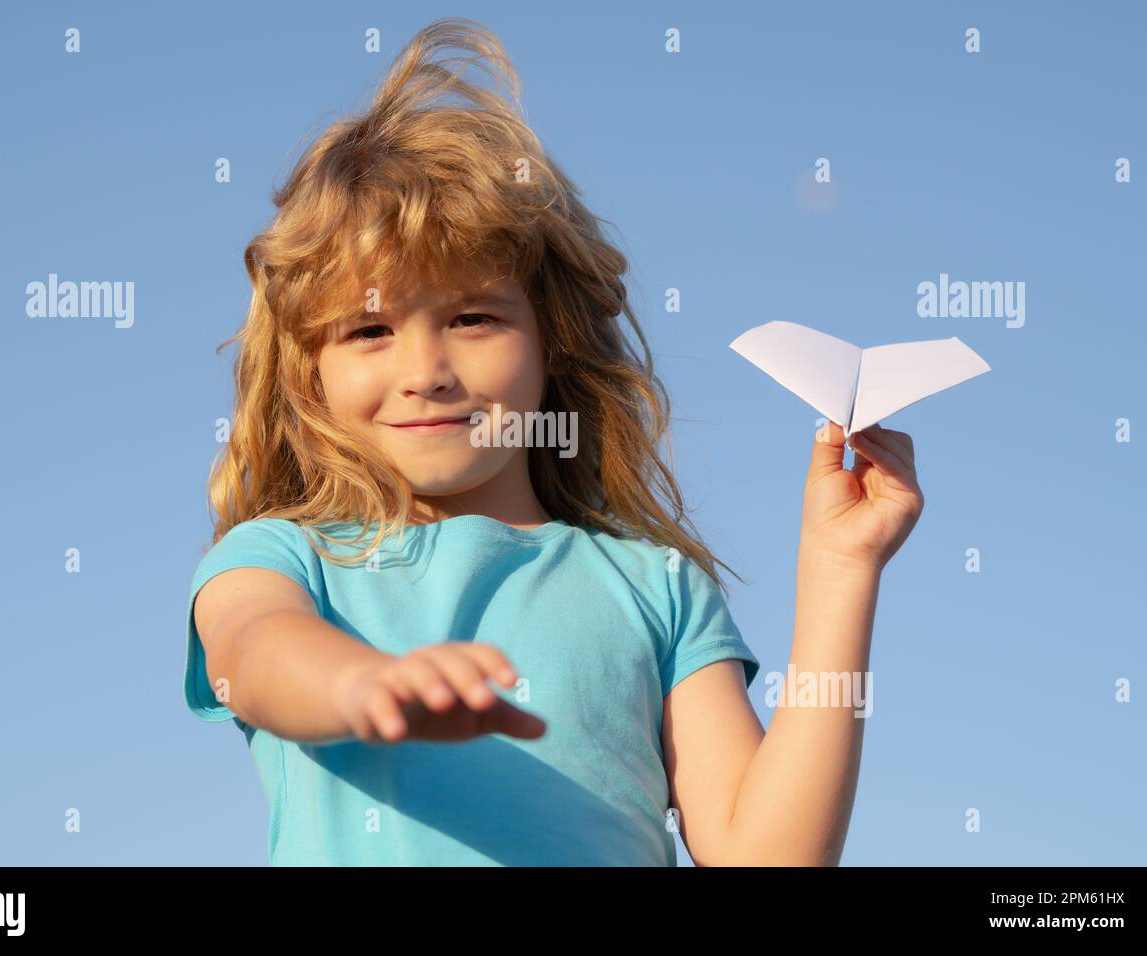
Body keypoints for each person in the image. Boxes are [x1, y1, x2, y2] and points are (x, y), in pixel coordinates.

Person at [183, 17, 922, 866]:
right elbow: (255, 655)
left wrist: (840, 570)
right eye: (369, 330)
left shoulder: (659, 591)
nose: (426, 370)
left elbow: (770, 858)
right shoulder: (279, 558)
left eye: (473, 317)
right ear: (309, 370)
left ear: (552, 341)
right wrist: (363, 685)